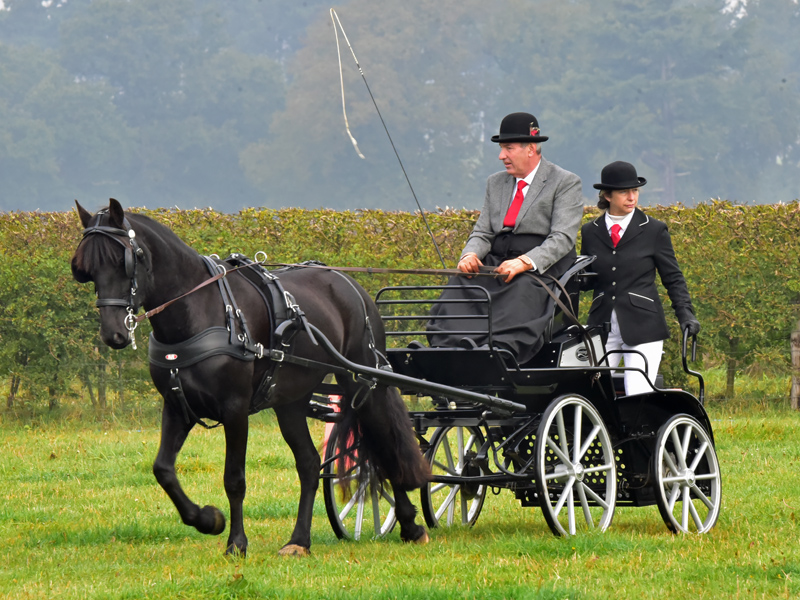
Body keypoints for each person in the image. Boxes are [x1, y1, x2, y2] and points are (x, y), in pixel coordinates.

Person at [426, 112, 584, 364]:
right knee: (462, 282)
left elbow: (562, 237)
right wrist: (470, 255)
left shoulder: (565, 182)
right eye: (501, 149)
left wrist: (524, 262)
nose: (501, 156)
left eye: (508, 148)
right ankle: (447, 346)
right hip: (497, 259)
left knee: (520, 289)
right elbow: (483, 232)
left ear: (530, 149)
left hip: (539, 268)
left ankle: (499, 349)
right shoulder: (495, 183)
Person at [580, 161, 701, 395]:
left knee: (637, 393)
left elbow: (673, 278)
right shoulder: (590, 231)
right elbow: (588, 278)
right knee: (594, 394)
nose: (632, 197)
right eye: (624, 192)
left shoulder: (654, 230)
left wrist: (686, 314)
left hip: (643, 324)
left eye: (635, 190)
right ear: (607, 195)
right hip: (601, 324)